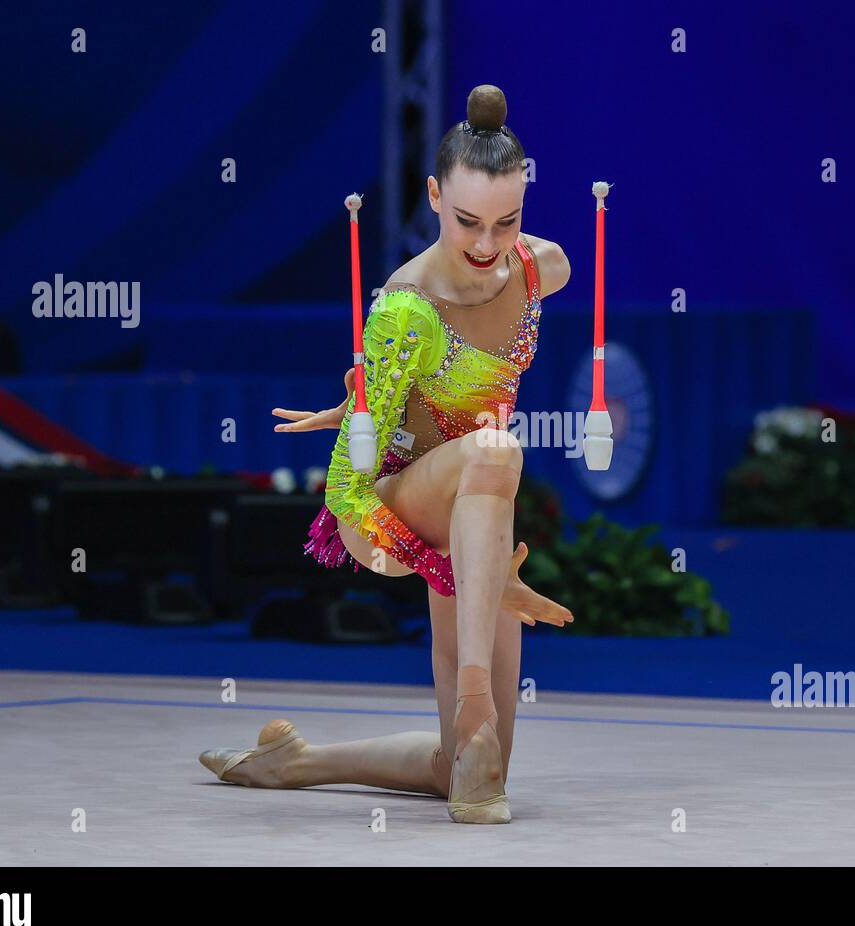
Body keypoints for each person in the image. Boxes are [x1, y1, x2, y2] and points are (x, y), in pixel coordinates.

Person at [200, 84, 574, 824]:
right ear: (433, 196)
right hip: (383, 518)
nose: (486, 245)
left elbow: (532, 267)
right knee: (498, 451)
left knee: (465, 774)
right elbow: (345, 487)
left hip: (474, 513)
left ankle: (296, 763)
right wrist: (476, 580)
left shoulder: (542, 268)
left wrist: (484, 576)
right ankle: (473, 712)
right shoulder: (407, 309)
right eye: (466, 221)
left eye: (508, 222)